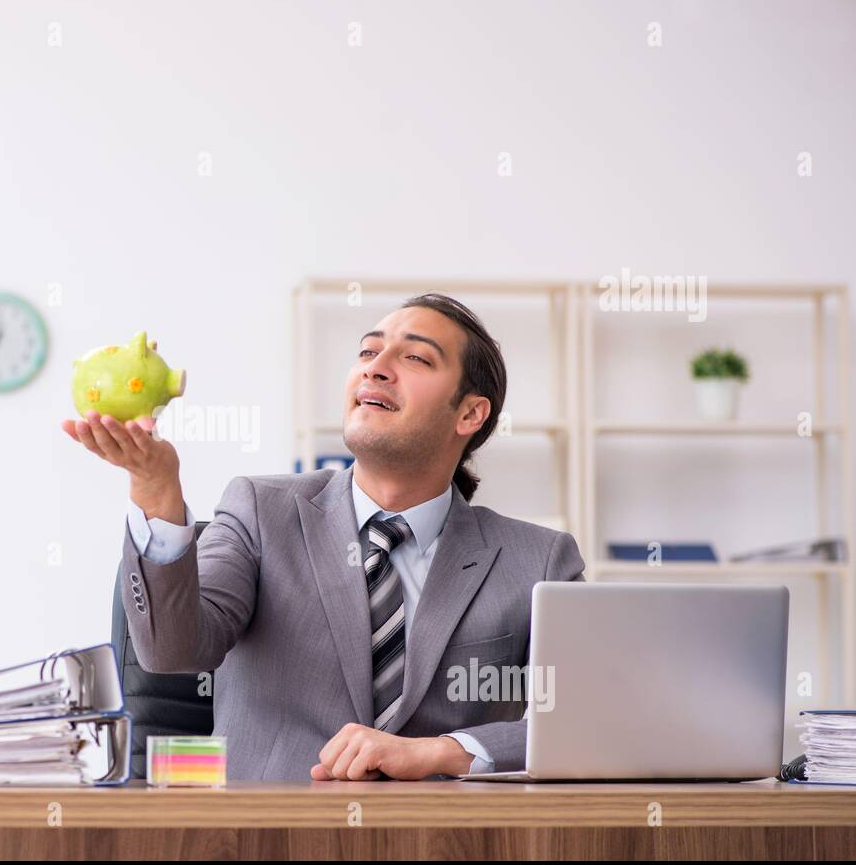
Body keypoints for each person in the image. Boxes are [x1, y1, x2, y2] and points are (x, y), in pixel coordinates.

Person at [61, 293, 584, 781]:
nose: (375, 367)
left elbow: (588, 718)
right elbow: (172, 650)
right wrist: (156, 491)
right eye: (368, 351)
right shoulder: (259, 510)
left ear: (470, 412)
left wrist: (445, 749)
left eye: (416, 359)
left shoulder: (539, 560)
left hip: (442, 843)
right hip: (273, 842)